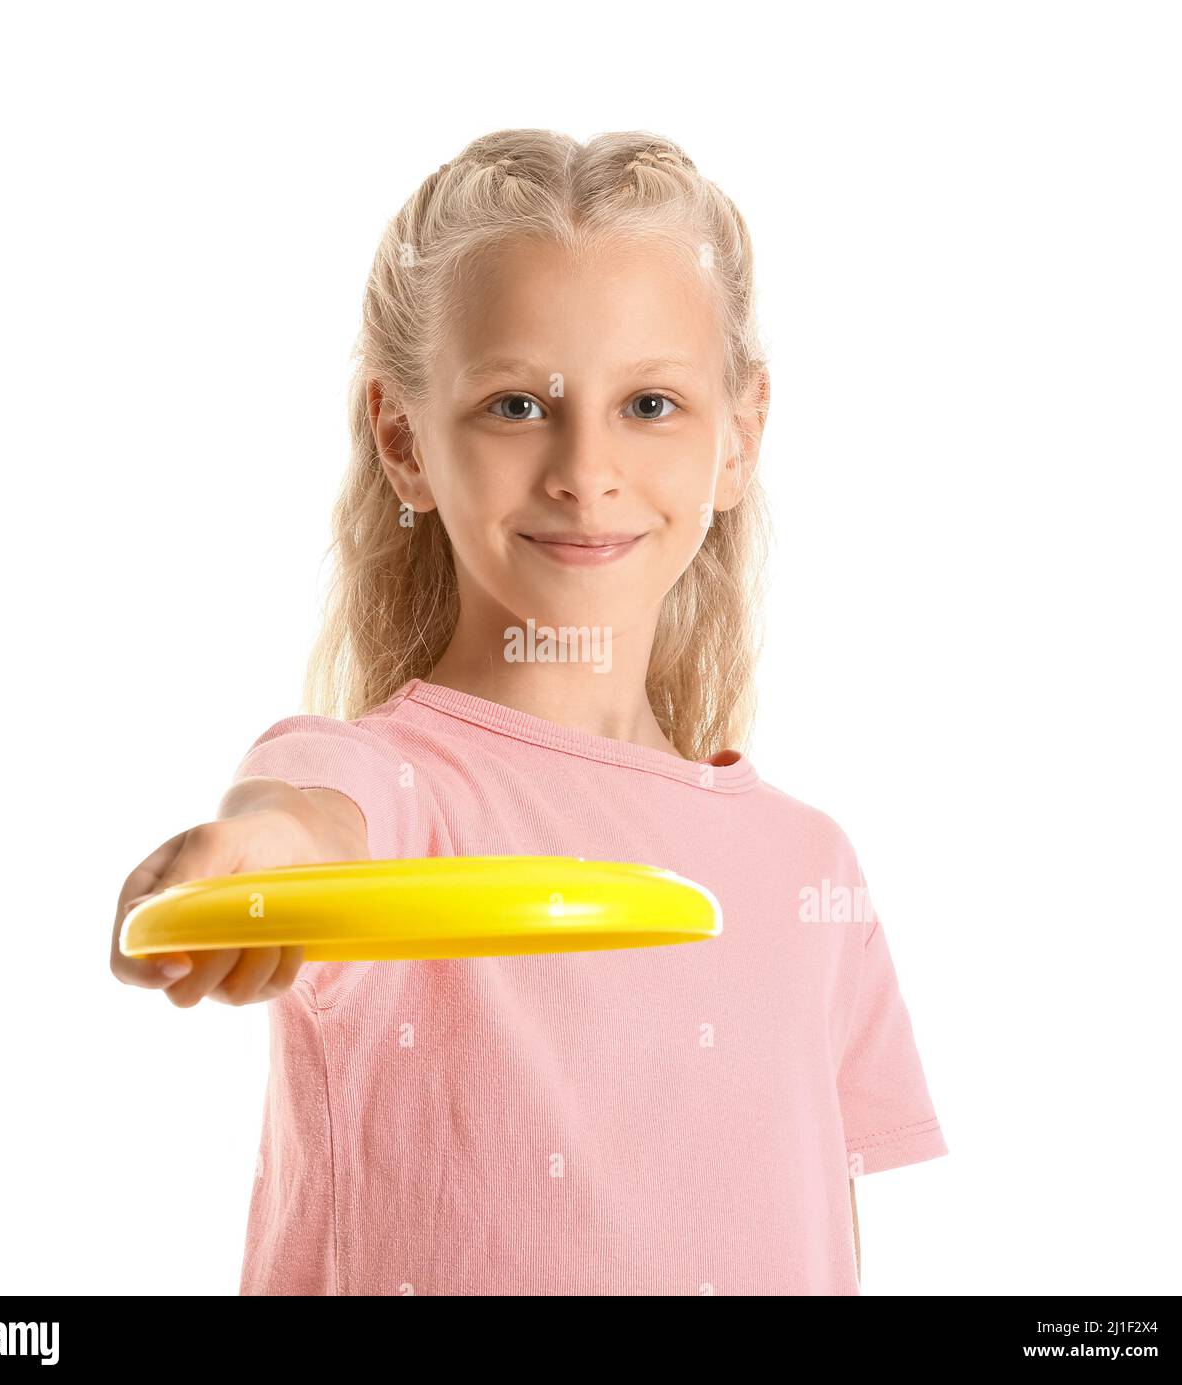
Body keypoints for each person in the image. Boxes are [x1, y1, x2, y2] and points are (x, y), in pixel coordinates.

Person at [110, 128, 948, 1295]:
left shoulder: (810, 862)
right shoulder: (396, 786)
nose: (584, 467)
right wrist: (255, 856)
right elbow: (313, 818)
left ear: (739, 437)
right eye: (515, 404)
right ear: (404, 440)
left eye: (650, 402)